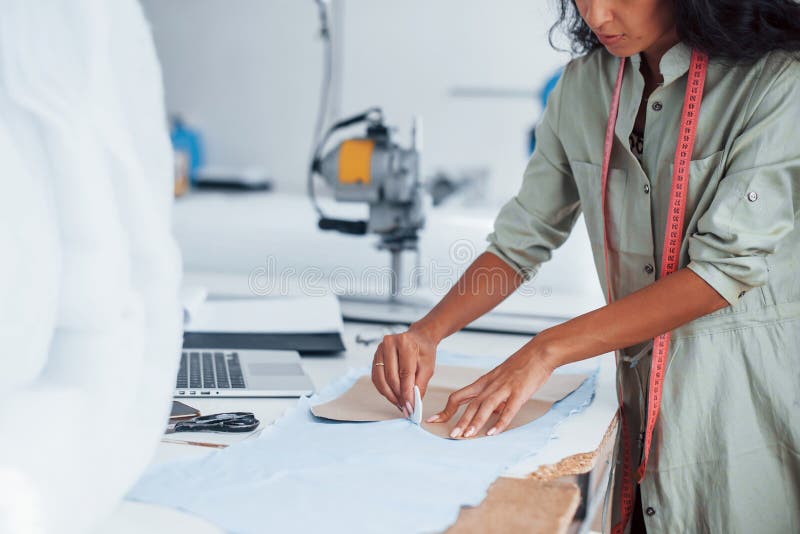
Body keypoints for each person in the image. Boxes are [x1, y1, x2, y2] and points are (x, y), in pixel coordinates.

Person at [370, 0, 800, 532]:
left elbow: (722, 271)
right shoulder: (582, 87)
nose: (597, 15)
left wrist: (545, 351)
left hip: (739, 409)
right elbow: (519, 241)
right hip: (635, 412)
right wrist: (427, 333)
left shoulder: (776, 82)